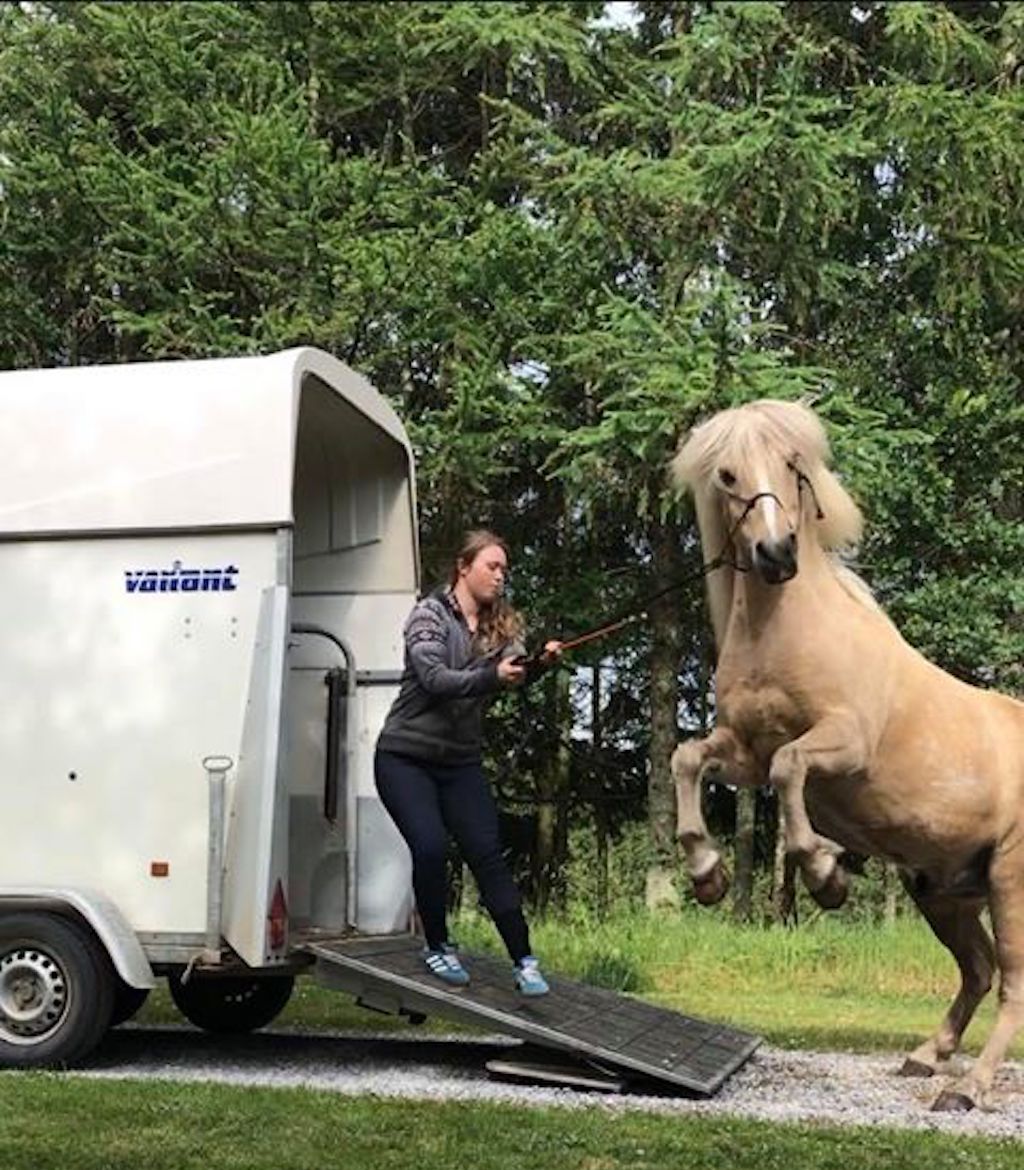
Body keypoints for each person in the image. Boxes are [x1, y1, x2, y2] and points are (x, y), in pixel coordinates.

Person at [374, 529, 561, 996]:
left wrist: (539, 665)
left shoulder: (503, 625)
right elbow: (436, 679)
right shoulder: (428, 615)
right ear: (463, 567)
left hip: (459, 762)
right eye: (491, 567)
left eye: (504, 570)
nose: (500, 577)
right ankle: (437, 945)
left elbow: (510, 675)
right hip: (404, 758)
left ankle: (524, 961)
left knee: (486, 855)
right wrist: (493, 676)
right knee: (431, 847)